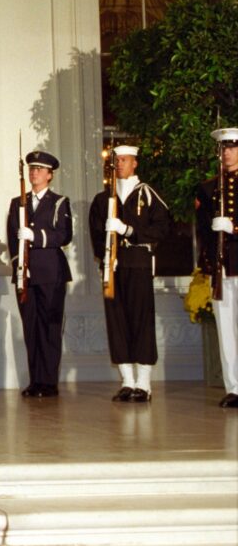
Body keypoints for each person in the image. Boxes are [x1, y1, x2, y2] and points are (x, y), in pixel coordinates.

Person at [90, 144, 170, 403]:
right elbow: (95, 234)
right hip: (113, 268)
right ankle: (127, 381)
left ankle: (144, 383)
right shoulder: (103, 199)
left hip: (139, 264)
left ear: (135, 163)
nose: (120, 164)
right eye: (116, 160)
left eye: (125, 160)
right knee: (117, 322)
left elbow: (161, 228)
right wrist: (105, 258)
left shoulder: (146, 194)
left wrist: (128, 232)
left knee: (141, 321)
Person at [7, 151, 73, 398]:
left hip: (51, 273)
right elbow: (13, 239)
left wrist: (37, 237)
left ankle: (49, 382)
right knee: (31, 327)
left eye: (39, 169)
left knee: (50, 327)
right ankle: (35, 380)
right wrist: (18, 265)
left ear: (49, 175)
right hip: (27, 274)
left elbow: (64, 235)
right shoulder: (18, 202)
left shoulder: (58, 202)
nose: (34, 172)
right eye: (31, 168)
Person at [195, 128, 238, 408]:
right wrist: (208, 265)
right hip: (221, 266)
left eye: (232, 147)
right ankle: (234, 386)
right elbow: (202, 231)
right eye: (223, 148)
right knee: (226, 328)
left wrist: (234, 227)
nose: (226, 153)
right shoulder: (208, 188)